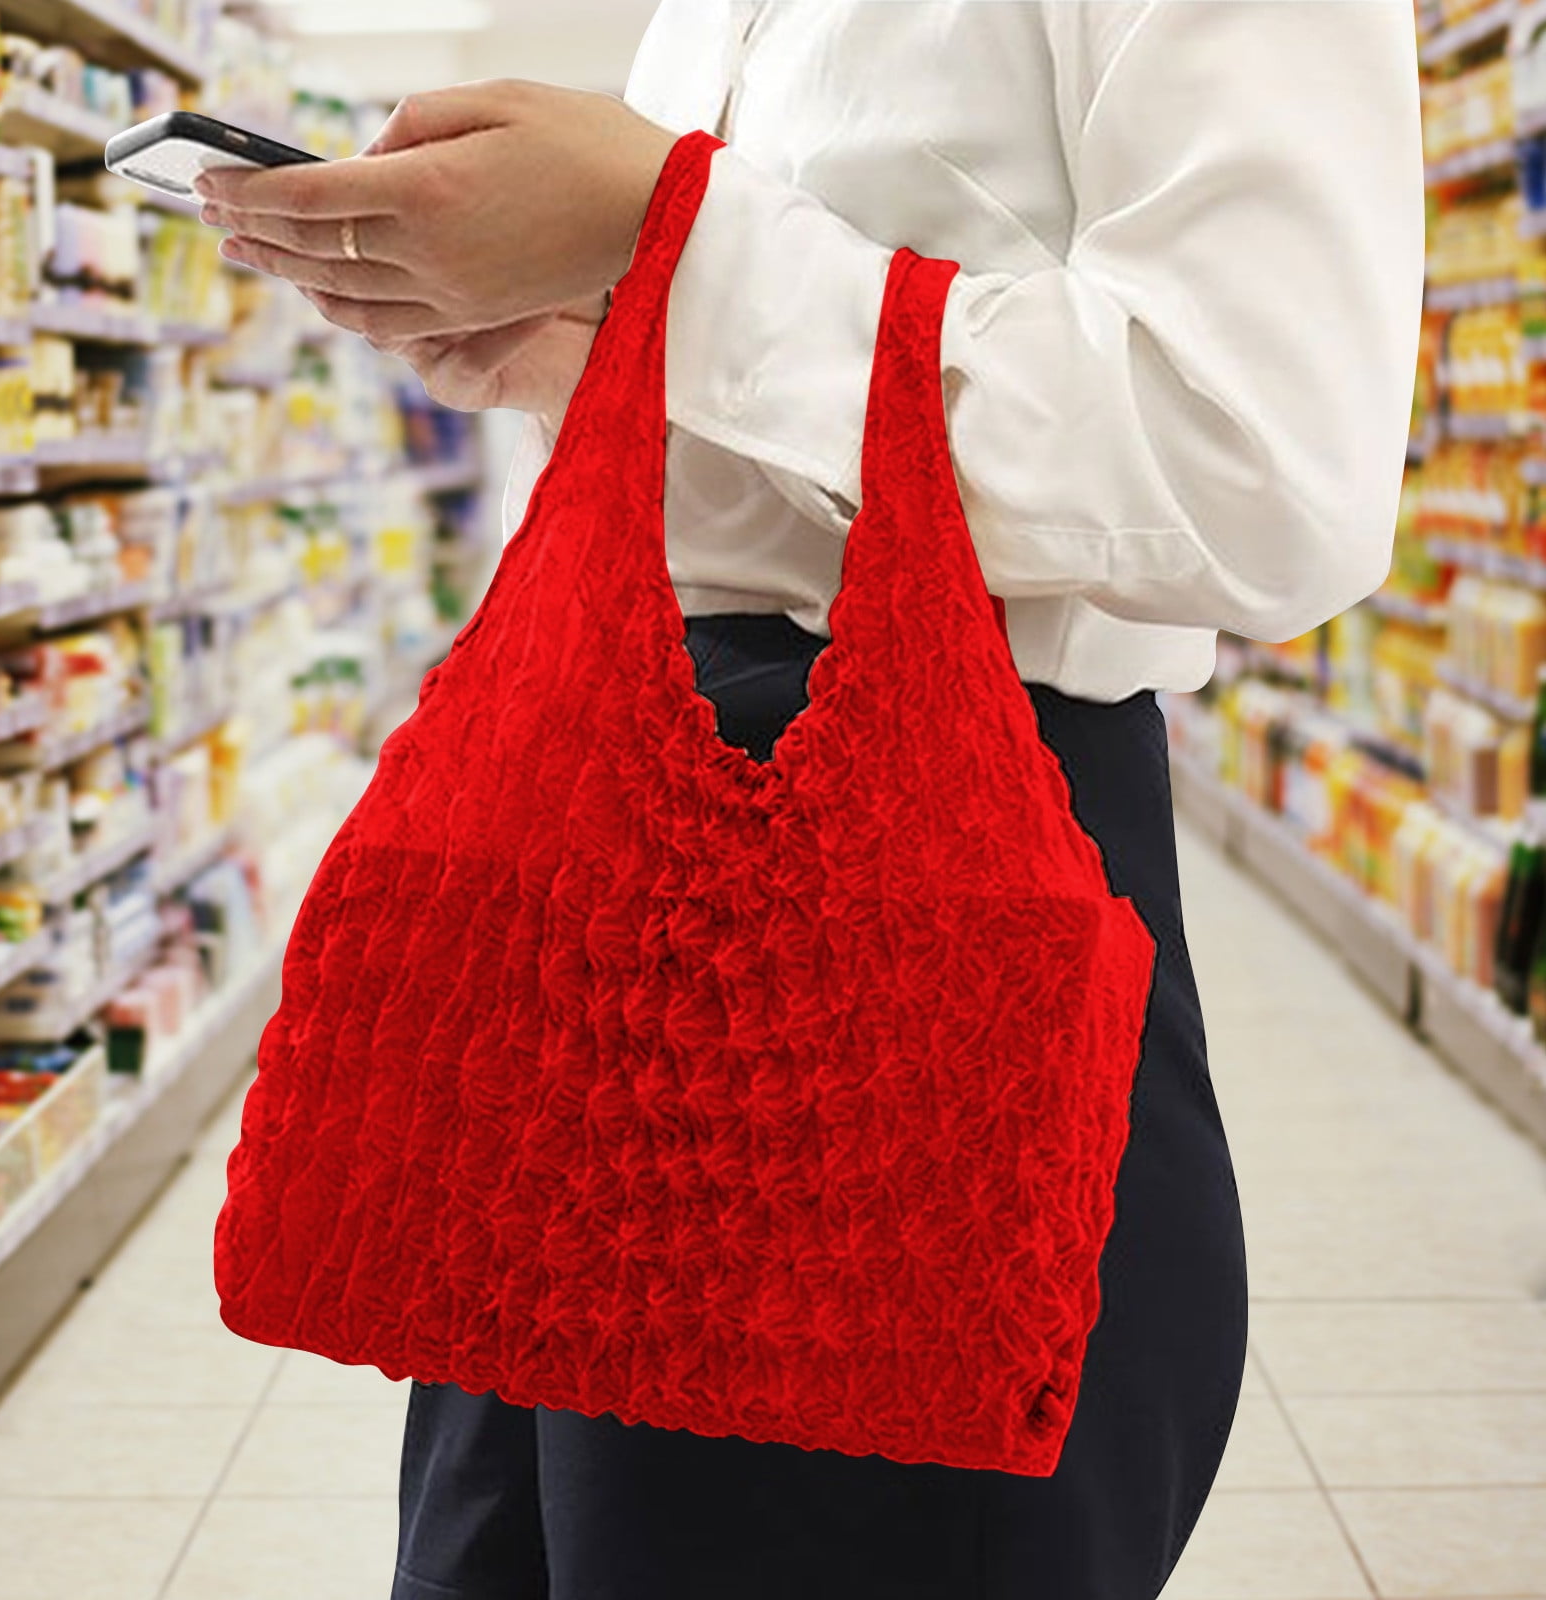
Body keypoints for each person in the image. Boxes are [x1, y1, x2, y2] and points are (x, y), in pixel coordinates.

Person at [195, 3, 1425, 1597]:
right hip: (613, 867)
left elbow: (1262, 468)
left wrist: (673, 239)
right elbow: (787, 395)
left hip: (932, 877)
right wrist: (584, 334)